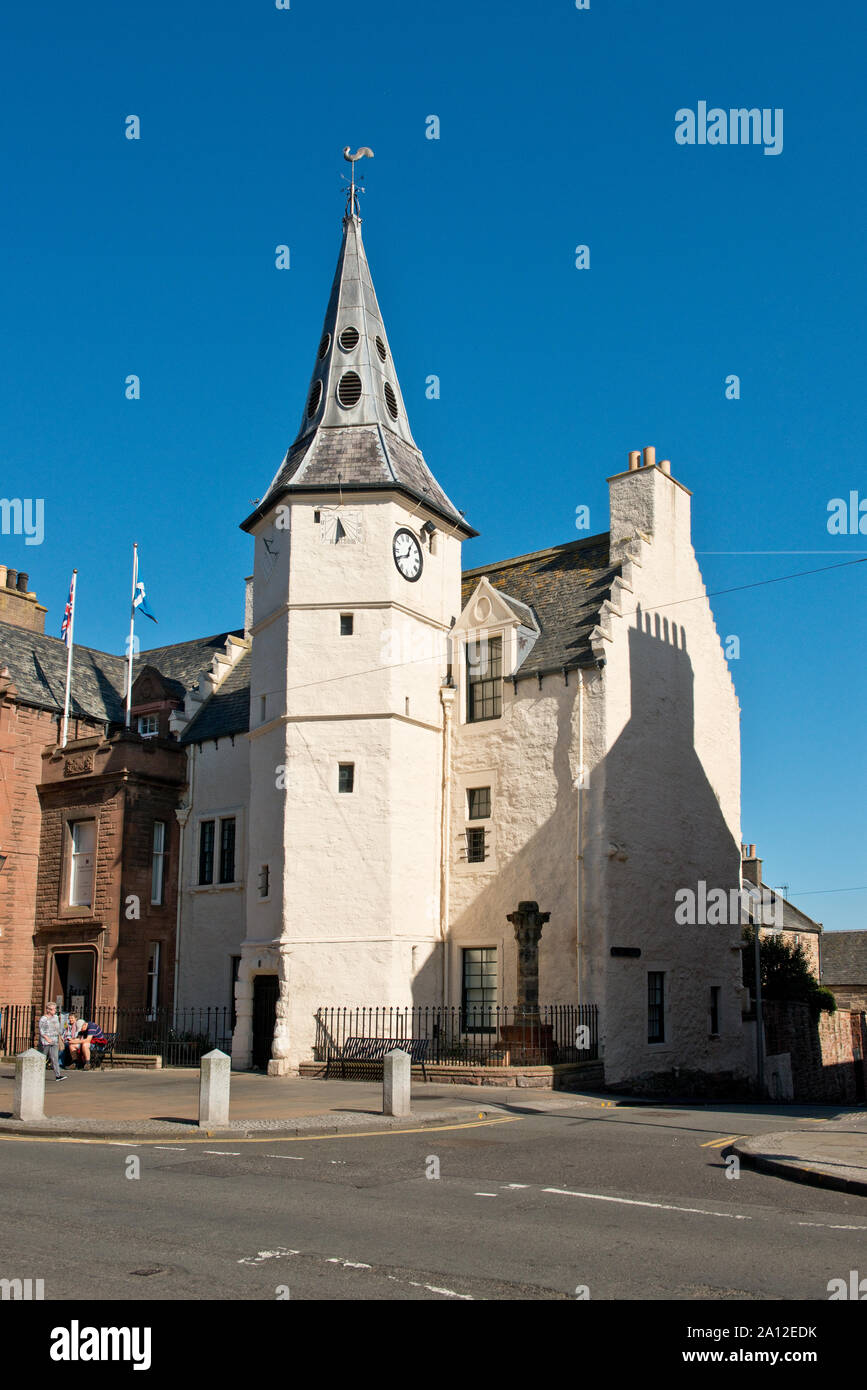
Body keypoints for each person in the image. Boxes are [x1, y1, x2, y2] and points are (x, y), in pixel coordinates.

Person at [38, 1003, 66, 1081]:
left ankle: (58, 1075)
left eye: (55, 1009)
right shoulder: (43, 1019)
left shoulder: (56, 1017)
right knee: (42, 1058)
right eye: (53, 1009)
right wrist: (47, 1038)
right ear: (48, 1010)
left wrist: (60, 1036)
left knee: (55, 1058)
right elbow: (41, 1031)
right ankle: (38, 1074)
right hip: (46, 1042)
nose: (55, 1010)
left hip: (55, 1040)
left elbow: (58, 1028)